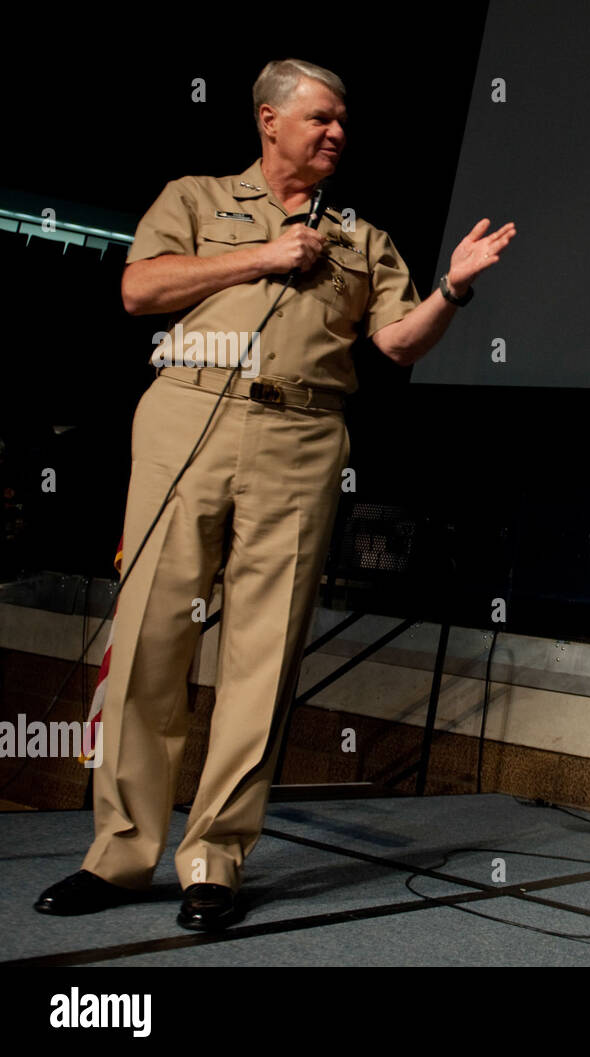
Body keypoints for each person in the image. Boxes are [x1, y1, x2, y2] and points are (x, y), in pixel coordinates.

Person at [34, 58, 515, 930]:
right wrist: (264, 255)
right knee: (150, 639)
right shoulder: (195, 197)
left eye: (344, 121)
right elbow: (139, 289)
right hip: (186, 413)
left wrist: (452, 288)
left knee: (262, 658)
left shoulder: (362, 237)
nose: (338, 132)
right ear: (269, 120)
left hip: (302, 434)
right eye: (321, 117)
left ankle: (214, 861)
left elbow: (398, 344)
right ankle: (119, 855)